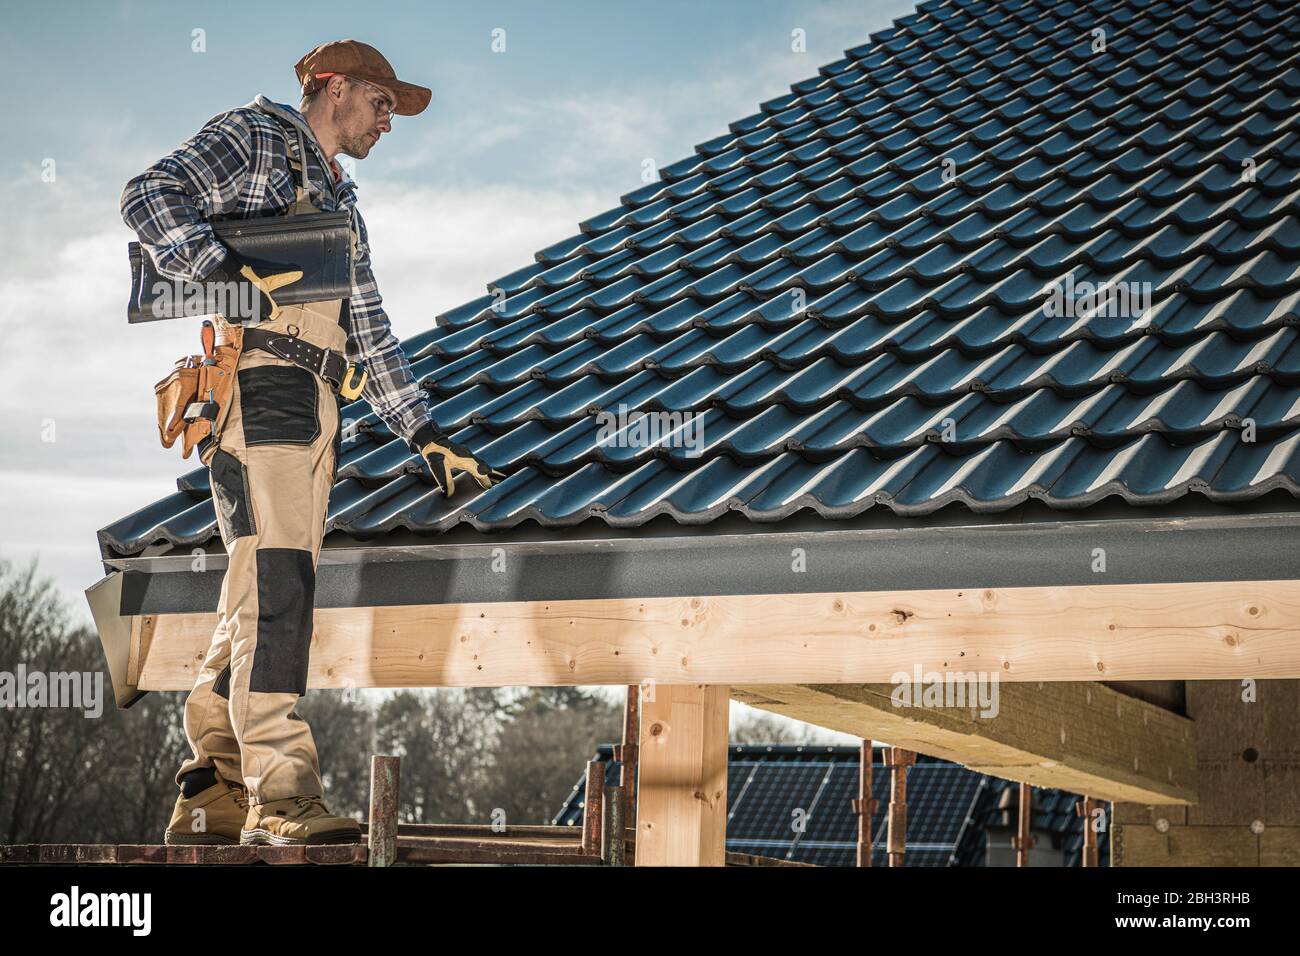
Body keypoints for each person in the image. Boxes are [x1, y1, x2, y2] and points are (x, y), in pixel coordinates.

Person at [121, 39, 504, 846]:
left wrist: (426, 434)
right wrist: (223, 275)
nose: (387, 122)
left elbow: (370, 330)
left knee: (254, 591)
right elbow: (148, 196)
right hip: (265, 394)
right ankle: (281, 793)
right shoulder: (258, 138)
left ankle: (213, 786)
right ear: (334, 89)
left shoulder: (342, 203)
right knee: (284, 586)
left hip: (311, 402)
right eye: (380, 104)